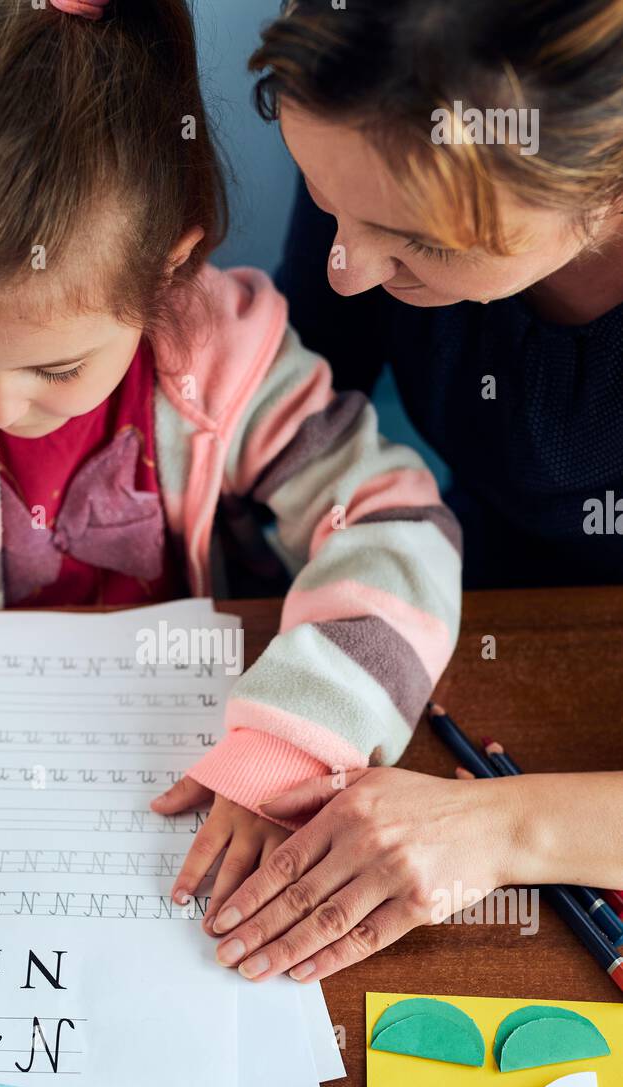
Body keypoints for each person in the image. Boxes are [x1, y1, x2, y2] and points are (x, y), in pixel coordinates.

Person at [0, 0, 460, 901]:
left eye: (55, 365)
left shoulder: (230, 359)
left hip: (164, 777)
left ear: (168, 270)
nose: (1, 405)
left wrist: (295, 742)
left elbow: (401, 526)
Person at [202, 0, 623, 986]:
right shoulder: (385, 138)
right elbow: (301, 383)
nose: (345, 270)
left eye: (410, 243)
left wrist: (501, 830)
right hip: (473, 614)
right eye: (323, 198)